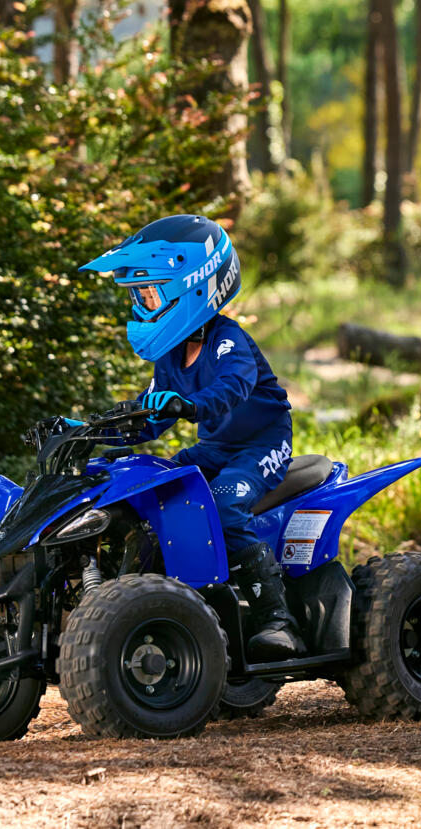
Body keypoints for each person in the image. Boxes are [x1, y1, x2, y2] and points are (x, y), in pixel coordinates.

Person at [79, 214, 303, 659]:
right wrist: (91, 433)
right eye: (139, 296)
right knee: (147, 490)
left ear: (192, 287)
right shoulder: (170, 356)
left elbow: (233, 388)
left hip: (261, 444)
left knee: (221, 503)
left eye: (149, 293)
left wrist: (188, 405)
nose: (142, 304)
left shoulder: (228, 340)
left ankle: (278, 620)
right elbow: (150, 416)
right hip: (215, 447)